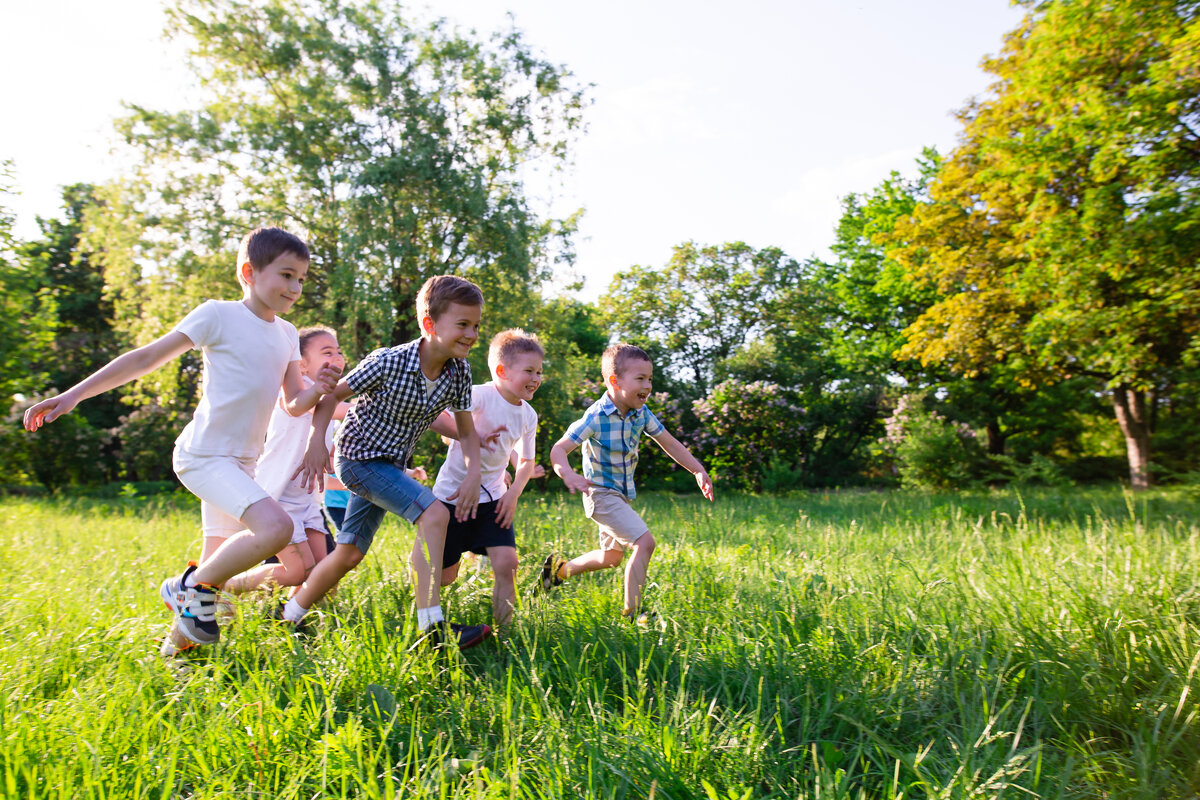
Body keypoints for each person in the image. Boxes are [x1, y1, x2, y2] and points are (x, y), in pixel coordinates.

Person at [23, 227, 337, 649]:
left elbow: (293, 403)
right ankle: (188, 585)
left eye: (301, 278)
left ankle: (177, 656)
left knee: (216, 574)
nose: (295, 287)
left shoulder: (286, 333)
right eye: (286, 275)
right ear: (249, 272)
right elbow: (146, 357)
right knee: (276, 527)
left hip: (244, 464)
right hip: (204, 456)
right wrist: (75, 394)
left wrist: (319, 388)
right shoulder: (217, 315)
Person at [286, 275, 490, 650]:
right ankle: (432, 628)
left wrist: (474, 471)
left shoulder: (459, 372)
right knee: (434, 514)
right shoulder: (388, 361)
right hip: (357, 459)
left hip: (389, 466)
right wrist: (317, 443)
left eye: (476, 325)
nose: (472, 333)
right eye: (462, 324)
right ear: (429, 325)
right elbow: (331, 396)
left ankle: (287, 616)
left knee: (348, 554)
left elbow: (466, 429)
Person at [543, 343, 714, 624]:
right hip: (599, 493)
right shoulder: (596, 416)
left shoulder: (641, 414)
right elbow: (558, 449)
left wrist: (697, 470)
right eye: (640, 379)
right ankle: (633, 614)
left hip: (620, 496)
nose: (648, 386)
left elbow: (668, 441)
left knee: (611, 557)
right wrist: (567, 473)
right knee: (645, 543)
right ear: (614, 381)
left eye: (650, 379)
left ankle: (558, 572)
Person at [430, 329, 543, 630]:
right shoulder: (478, 395)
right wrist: (468, 437)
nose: (536, 378)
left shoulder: (528, 415)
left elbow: (528, 461)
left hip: (493, 500)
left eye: (539, 372)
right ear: (502, 371)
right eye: (529, 371)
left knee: (507, 564)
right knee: (444, 577)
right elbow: (437, 417)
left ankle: (505, 637)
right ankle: (427, 615)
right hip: (452, 499)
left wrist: (513, 493)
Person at [221, 325, 347, 596]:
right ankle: (218, 585)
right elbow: (335, 409)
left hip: (306, 501)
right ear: (301, 365)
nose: (337, 357)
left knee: (322, 573)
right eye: (327, 352)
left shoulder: (326, 397)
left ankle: (291, 618)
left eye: (339, 351)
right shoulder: (295, 393)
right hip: (278, 501)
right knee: (295, 572)